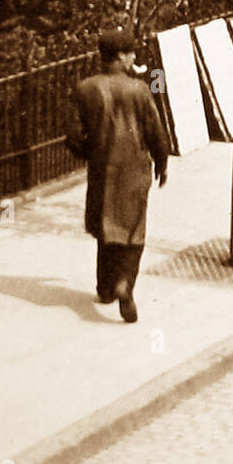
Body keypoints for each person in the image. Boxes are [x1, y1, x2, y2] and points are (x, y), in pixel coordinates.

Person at [66, 28, 169, 323]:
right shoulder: (139, 90)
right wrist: (161, 163)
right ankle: (125, 284)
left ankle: (105, 288)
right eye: (131, 52)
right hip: (135, 169)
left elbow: (72, 137)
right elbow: (156, 133)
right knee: (133, 231)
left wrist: (93, 153)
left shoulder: (84, 88)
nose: (134, 57)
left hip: (103, 168)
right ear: (121, 56)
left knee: (106, 225)